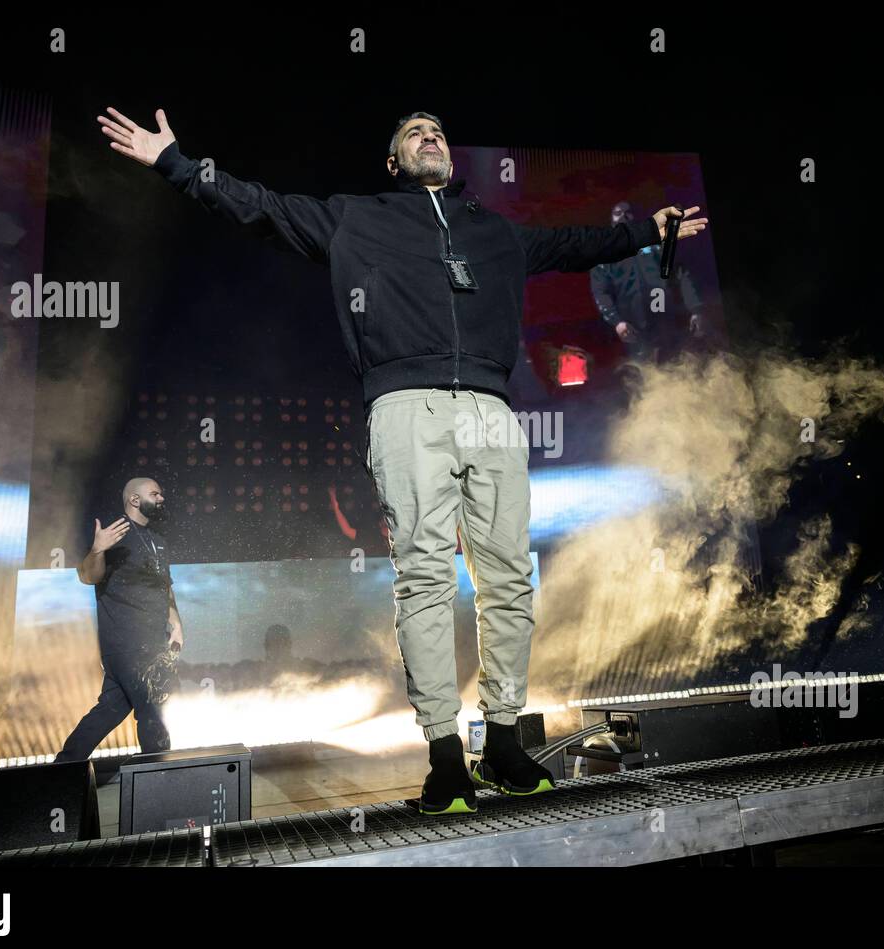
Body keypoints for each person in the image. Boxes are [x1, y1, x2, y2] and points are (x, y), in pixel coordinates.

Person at [97, 107, 709, 813]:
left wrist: (646, 231)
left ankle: (504, 742)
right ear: (393, 162)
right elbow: (259, 207)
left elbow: (576, 243)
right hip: (405, 406)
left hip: (489, 409)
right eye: (414, 132)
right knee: (424, 575)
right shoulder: (359, 218)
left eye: (440, 132)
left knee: (509, 577)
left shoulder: (492, 232)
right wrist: (177, 164)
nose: (430, 137)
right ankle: (446, 758)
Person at [55, 478, 183, 762]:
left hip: (152, 641)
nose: (162, 498)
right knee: (153, 706)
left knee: (110, 710)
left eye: (161, 493)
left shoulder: (157, 541)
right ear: (134, 500)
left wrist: (176, 624)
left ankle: (61, 769)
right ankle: (161, 778)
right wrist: (98, 550)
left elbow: (165, 587)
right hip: (127, 643)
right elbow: (88, 576)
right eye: (155, 494)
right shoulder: (116, 534)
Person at [590, 200, 706, 363]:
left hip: (669, 320)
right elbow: (600, 292)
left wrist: (696, 309)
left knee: (681, 367)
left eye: (627, 212)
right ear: (611, 219)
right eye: (618, 213)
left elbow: (681, 275)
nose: (623, 216)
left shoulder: (658, 242)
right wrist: (617, 322)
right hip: (634, 328)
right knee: (646, 375)